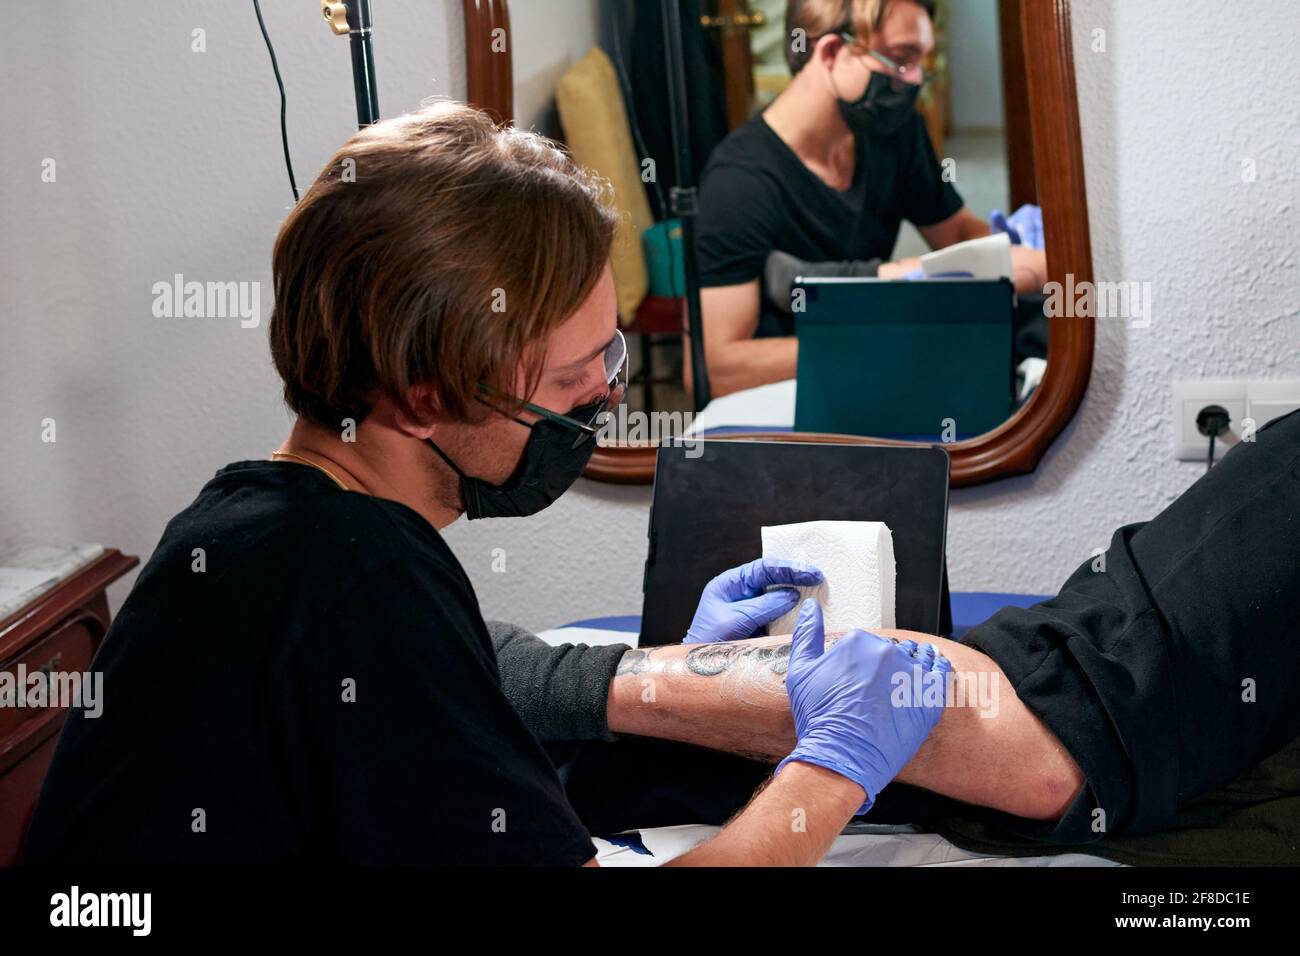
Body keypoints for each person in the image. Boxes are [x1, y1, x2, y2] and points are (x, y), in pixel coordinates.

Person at [19, 101, 951, 867]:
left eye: (611, 352)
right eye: (569, 379)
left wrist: (653, 684)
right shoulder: (361, 581)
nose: (605, 395)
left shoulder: (250, 520)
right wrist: (830, 771)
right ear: (426, 397)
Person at [493, 407, 1300, 865]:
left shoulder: (404, 609)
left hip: (577, 756)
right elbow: (1033, 742)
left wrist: (588, 686)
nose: (597, 389)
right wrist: (829, 772)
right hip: (1062, 741)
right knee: (1076, 723)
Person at [692, 0, 1048, 397]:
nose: (914, 80)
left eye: (921, 62)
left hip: (884, 374)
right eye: (901, 59)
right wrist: (883, 332)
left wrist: (1016, 253)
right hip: (797, 395)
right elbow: (713, 368)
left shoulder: (894, 131)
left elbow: (957, 228)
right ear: (829, 52)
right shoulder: (738, 184)